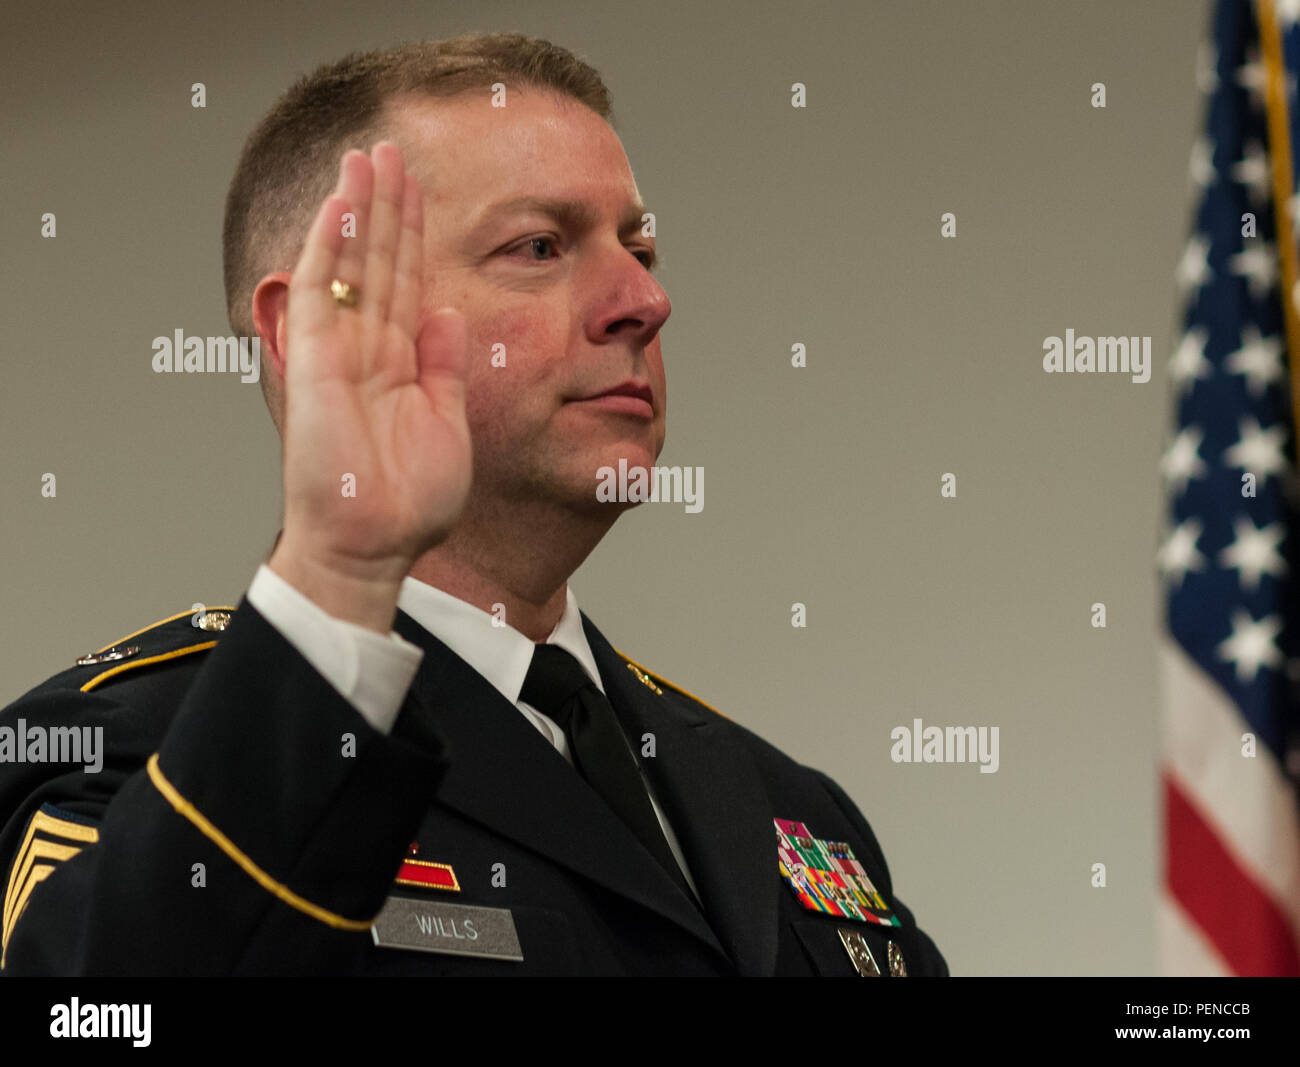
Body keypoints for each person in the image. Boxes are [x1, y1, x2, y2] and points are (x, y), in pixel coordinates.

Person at [0, 32, 947, 977]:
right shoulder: (124, 752)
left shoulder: (789, 807)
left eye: (641, 245)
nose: (644, 299)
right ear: (308, 333)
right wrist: (339, 573)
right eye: (538, 245)